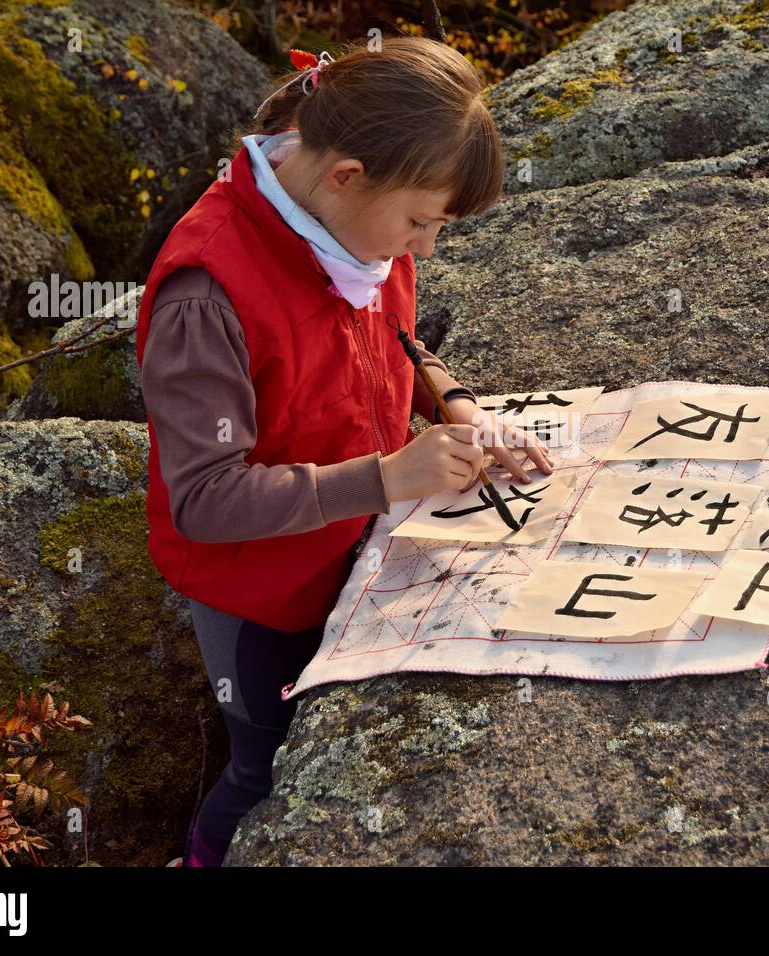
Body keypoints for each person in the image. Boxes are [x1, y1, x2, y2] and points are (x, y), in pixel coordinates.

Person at [136, 35, 554, 867]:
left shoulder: (351, 228)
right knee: (263, 766)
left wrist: (456, 403)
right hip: (258, 596)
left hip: (353, 549)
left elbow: (392, 336)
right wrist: (388, 475)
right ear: (346, 175)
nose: (425, 249)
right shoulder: (206, 294)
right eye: (421, 223)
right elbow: (205, 500)